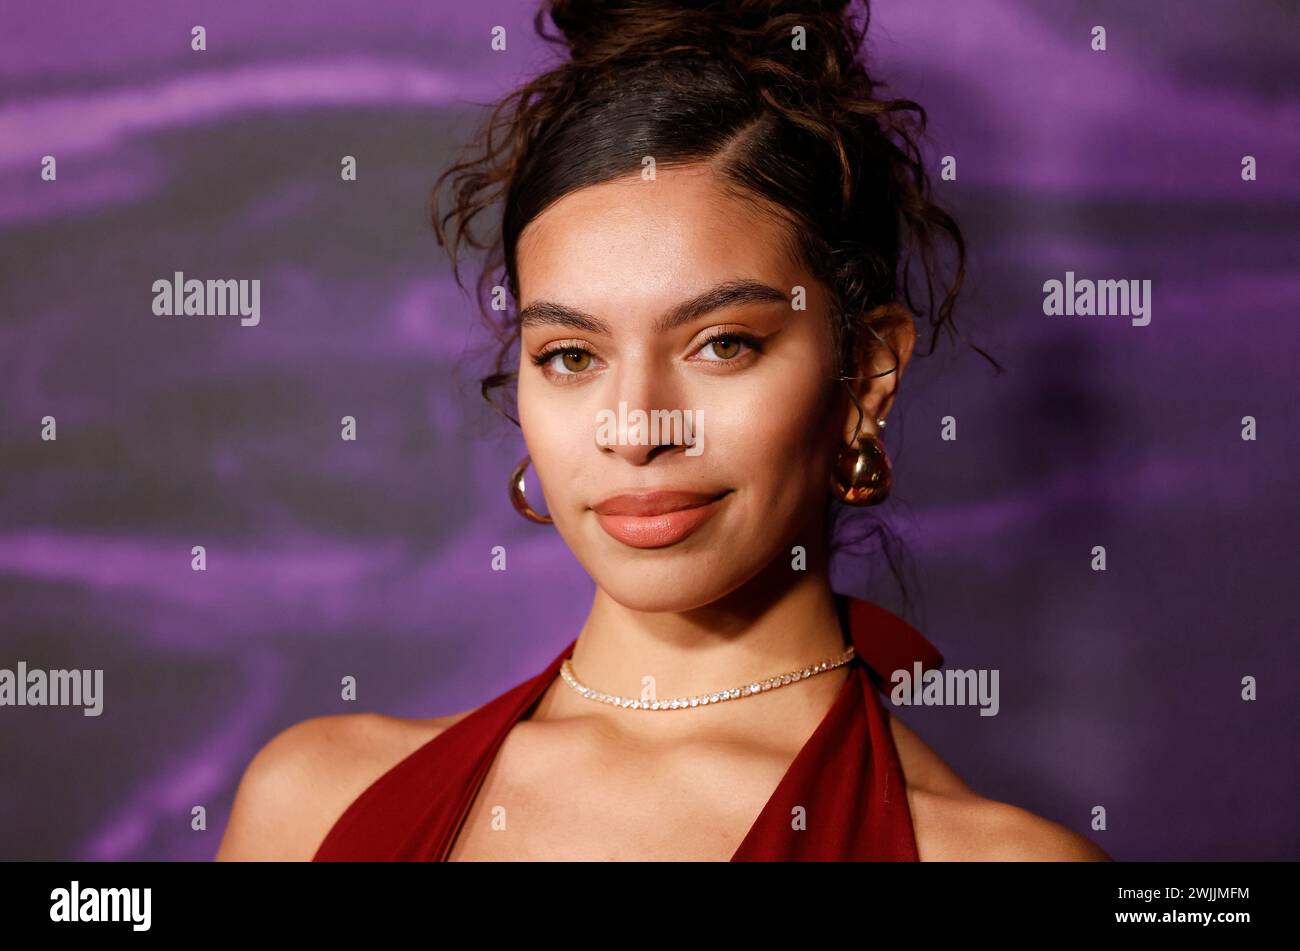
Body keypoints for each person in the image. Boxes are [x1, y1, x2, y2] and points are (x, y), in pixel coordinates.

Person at [217, 0, 1110, 861]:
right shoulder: (315, 801)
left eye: (722, 344)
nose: (637, 428)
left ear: (868, 370)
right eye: (571, 355)